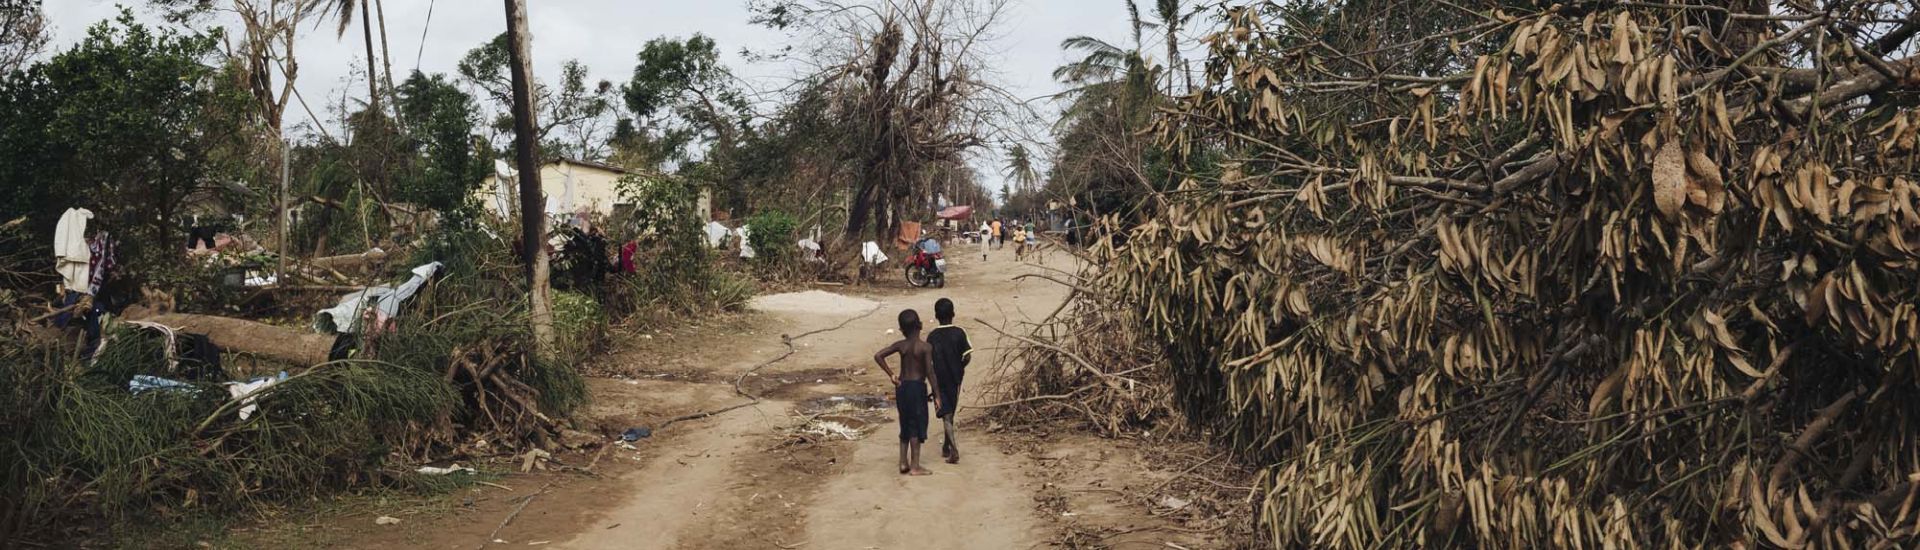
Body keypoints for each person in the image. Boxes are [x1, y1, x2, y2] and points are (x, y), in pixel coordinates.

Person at [874, 309, 940, 476]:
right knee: (916, 426)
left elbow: (878, 356)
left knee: (905, 423)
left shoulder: (900, 345)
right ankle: (915, 466)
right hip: (917, 388)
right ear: (920, 325)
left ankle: (903, 462)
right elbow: (930, 372)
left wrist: (892, 375)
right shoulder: (925, 347)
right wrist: (937, 395)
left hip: (902, 387)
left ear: (901, 329)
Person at [925, 298, 972, 464]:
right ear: (953, 314)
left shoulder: (932, 336)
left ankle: (953, 449)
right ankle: (947, 446)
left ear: (936, 315)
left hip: (938, 380)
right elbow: (967, 356)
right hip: (956, 378)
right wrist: (960, 366)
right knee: (949, 412)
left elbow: (928, 362)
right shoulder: (959, 333)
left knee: (946, 414)